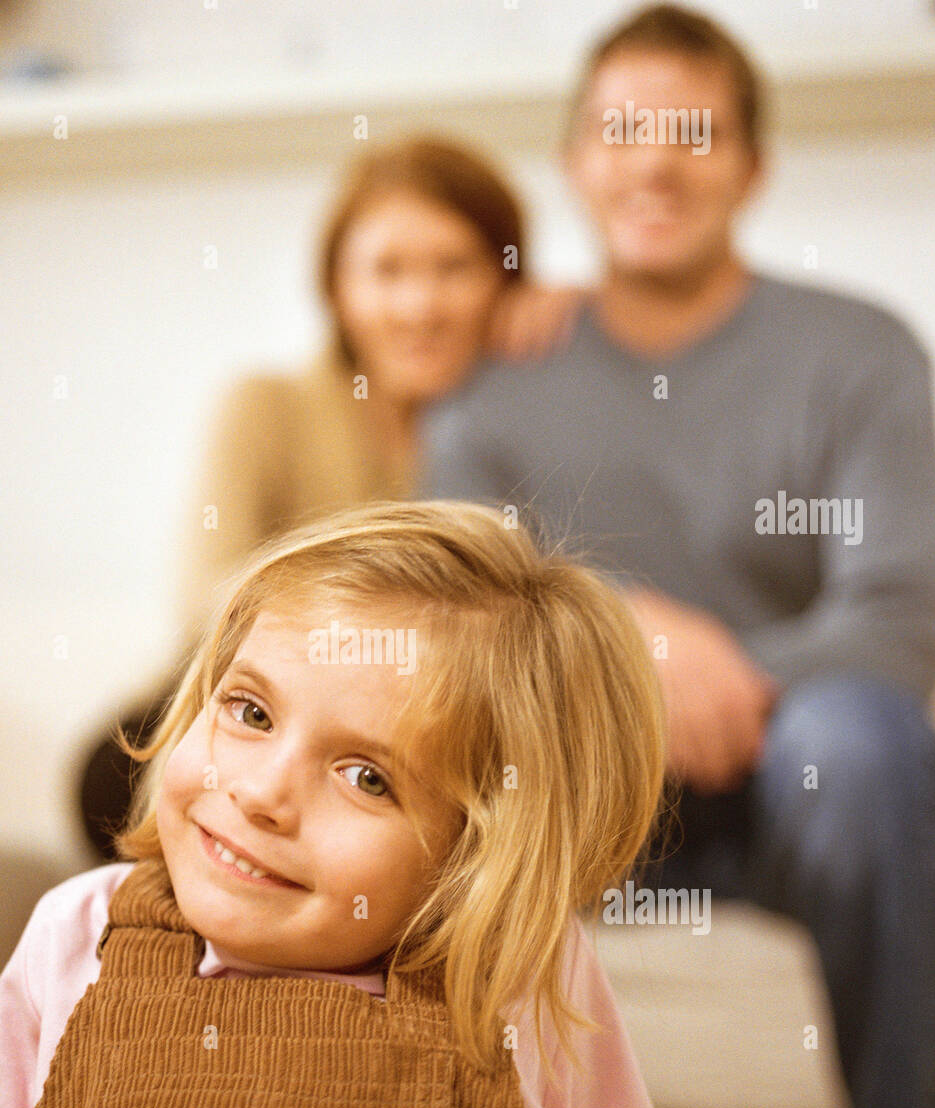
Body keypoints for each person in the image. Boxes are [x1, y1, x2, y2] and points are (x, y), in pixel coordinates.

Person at [421, 4, 935, 1108]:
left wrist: (714, 677)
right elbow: (465, 639)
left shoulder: (858, 351)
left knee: (866, 742)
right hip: (576, 796)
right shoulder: (494, 388)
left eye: (694, 131)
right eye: (622, 130)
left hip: (800, 786)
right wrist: (631, 651)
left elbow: (893, 617)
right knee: (443, 787)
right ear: (576, 162)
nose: (656, 161)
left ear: (751, 166)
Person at [0, 499, 689, 1108]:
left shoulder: (519, 971)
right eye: (250, 712)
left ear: (481, 855)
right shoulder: (75, 932)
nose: (262, 792)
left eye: (366, 778)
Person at [76, 135, 585, 861]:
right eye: (386, 272)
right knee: (113, 773)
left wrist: (587, 336)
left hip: (439, 737)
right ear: (337, 291)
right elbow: (208, 602)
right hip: (269, 716)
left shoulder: (525, 421)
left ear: (508, 283)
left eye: (455, 268)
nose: (420, 305)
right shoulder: (267, 406)